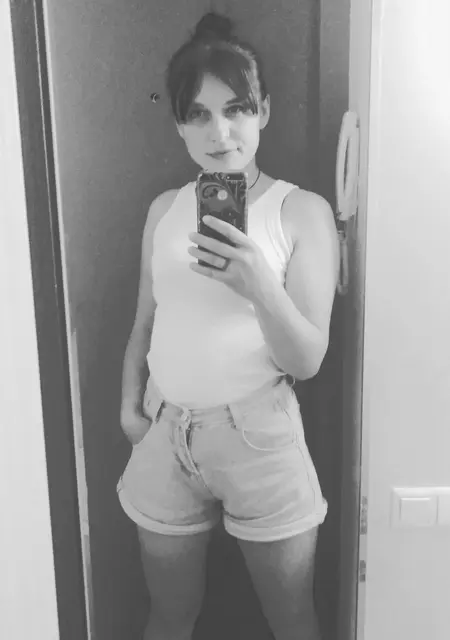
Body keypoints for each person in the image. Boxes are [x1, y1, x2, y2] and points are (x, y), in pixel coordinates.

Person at [117, 11, 339, 640]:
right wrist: (129, 410)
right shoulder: (164, 210)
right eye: (199, 114)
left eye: (236, 108)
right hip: (164, 434)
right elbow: (144, 320)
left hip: (259, 435)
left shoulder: (301, 211)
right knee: (169, 614)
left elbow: (307, 360)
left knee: (291, 619)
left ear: (263, 110)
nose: (219, 131)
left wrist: (257, 281)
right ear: (179, 124)